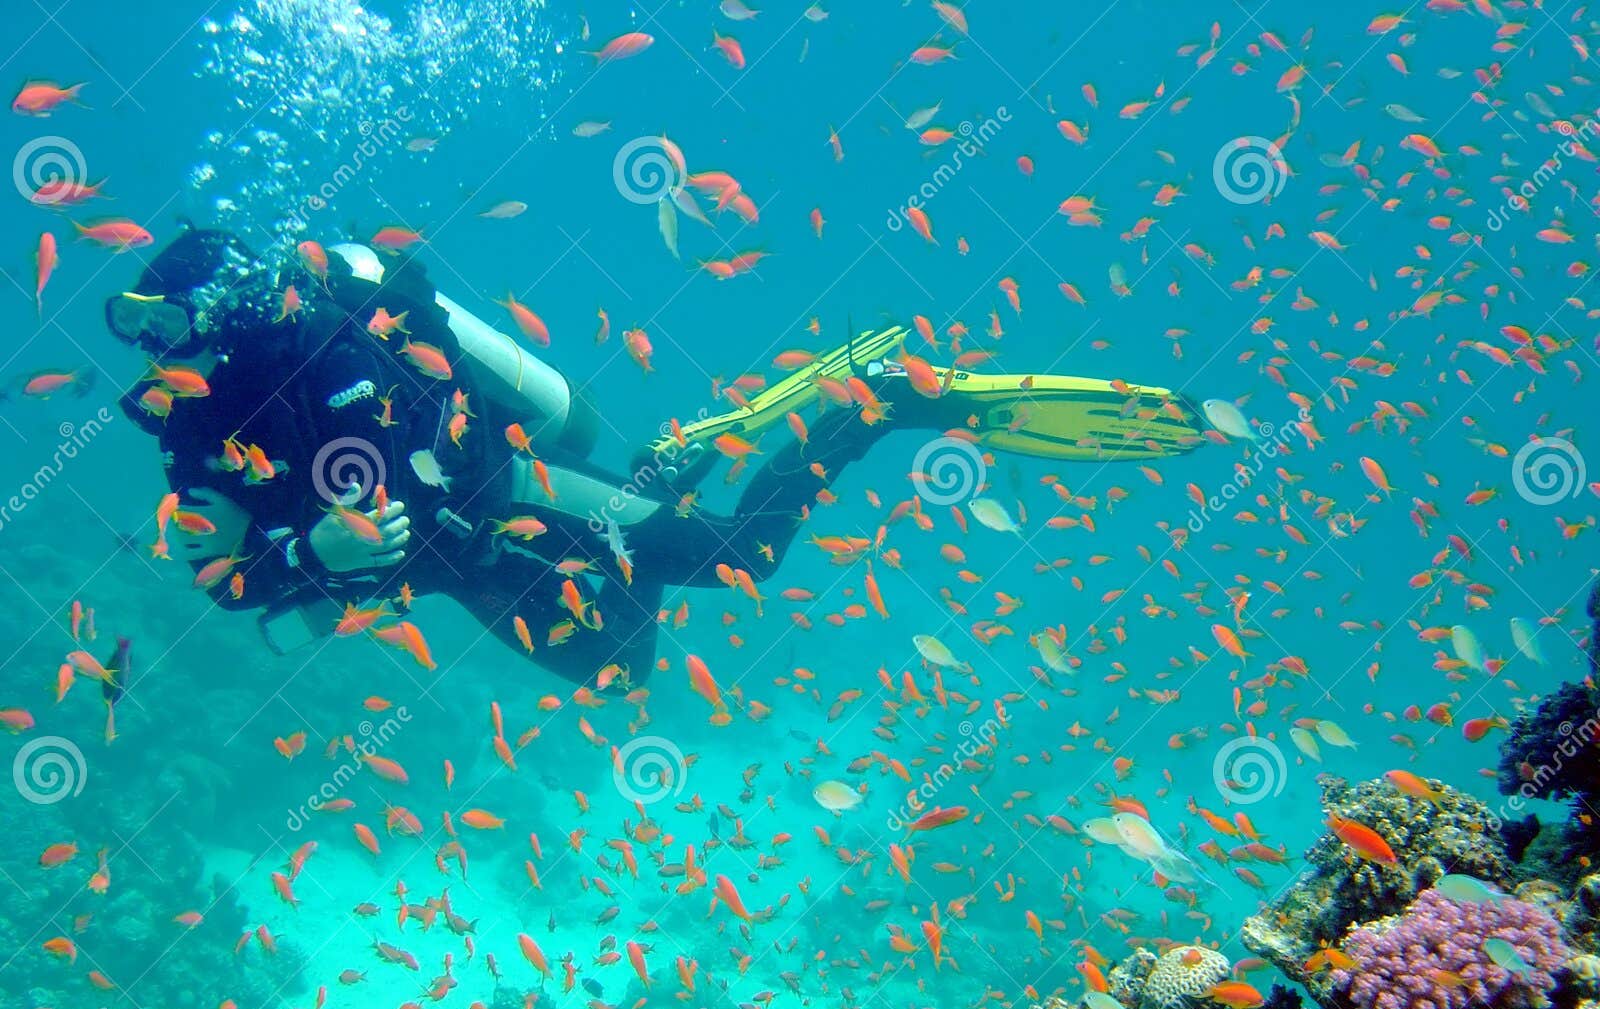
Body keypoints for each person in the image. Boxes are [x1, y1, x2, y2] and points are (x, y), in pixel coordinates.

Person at [109, 226, 1203, 686]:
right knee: (623, 671)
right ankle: (656, 487)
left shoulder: (343, 317)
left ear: (225, 303)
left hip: (519, 489)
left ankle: (876, 411)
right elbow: (221, 576)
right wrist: (319, 546)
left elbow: (509, 398)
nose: (171, 352)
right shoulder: (198, 427)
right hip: (469, 565)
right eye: (159, 338)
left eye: (170, 325)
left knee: (742, 558)